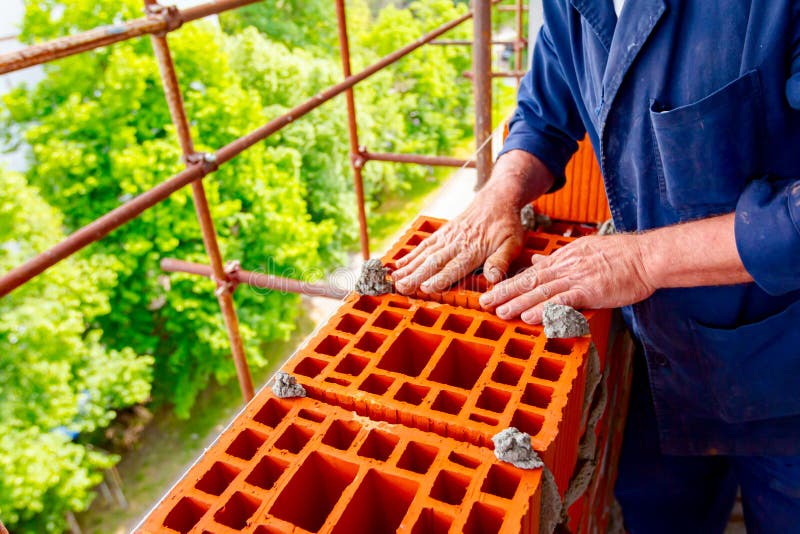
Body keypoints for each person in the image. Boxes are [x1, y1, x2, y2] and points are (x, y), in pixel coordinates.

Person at [392, 1, 800, 532]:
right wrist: (502, 191)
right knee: (662, 515)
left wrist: (645, 258)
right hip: (665, 363)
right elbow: (545, 110)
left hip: (784, 366)